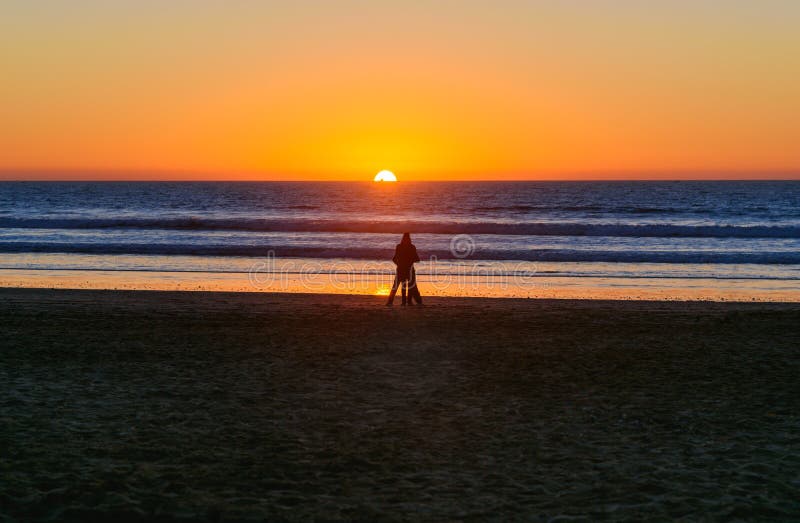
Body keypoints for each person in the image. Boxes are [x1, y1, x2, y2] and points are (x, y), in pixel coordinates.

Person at [386, 232, 423, 306]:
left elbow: (394, 259)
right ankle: (410, 302)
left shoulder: (399, 247)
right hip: (409, 269)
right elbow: (417, 259)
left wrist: (399, 264)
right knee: (411, 286)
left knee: (396, 286)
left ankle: (391, 302)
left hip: (400, 269)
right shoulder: (412, 247)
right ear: (410, 239)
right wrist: (411, 261)